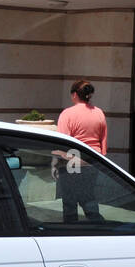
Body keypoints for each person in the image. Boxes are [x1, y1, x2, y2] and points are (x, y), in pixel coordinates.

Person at [55, 79, 108, 224]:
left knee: (69, 201)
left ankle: (71, 231)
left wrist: (56, 163)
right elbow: (103, 141)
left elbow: (62, 142)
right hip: (93, 161)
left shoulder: (67, 114)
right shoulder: (99, 113)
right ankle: (99, 227)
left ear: (74, 95)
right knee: (88, 198)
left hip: (72, 162)